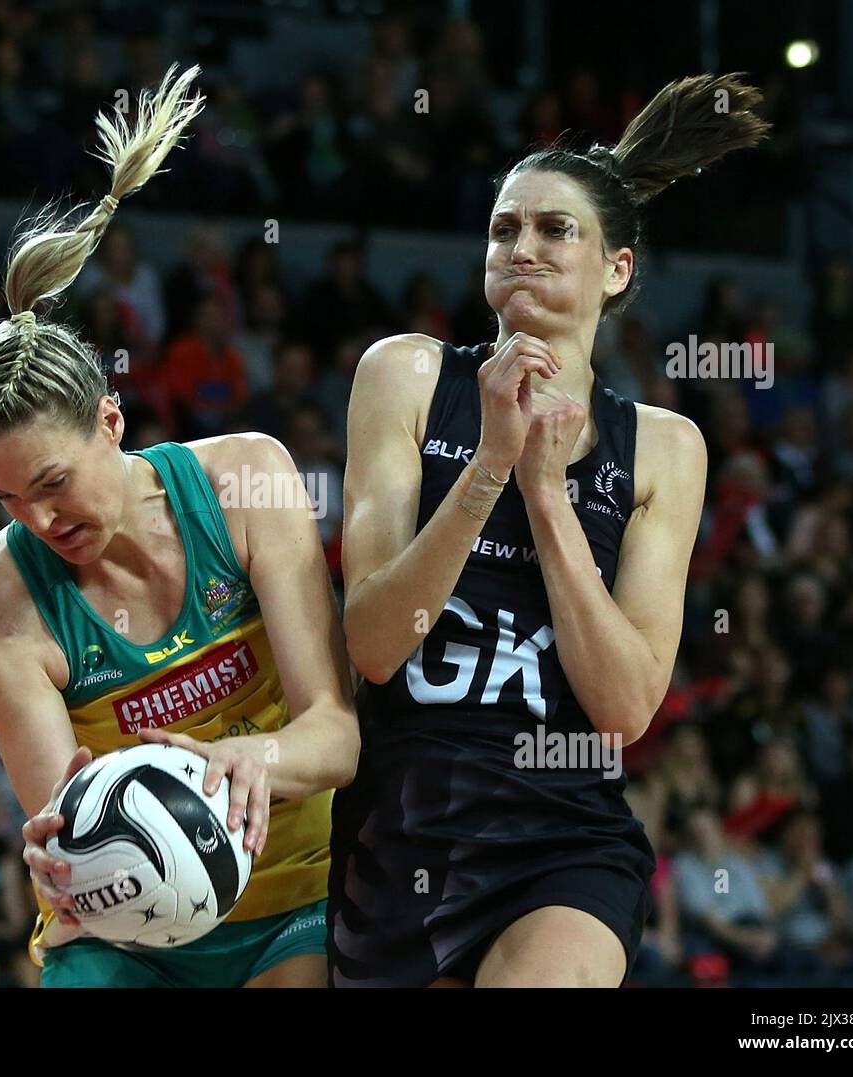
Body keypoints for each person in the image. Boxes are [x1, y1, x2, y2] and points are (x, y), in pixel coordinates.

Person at [328, 73, 771, 987]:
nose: (521, 247)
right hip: (399, 821)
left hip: (563, 832)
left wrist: (548, 495)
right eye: (503, 229)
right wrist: (492, 464)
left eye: (553, 229)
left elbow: (623, 706)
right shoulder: (406, 376)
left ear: (617, 268)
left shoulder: (664, 447)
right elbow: (374, 644)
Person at [0, 65, 358, 989]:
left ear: (111, 421)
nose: (38, 519)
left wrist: (255, 757)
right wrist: (53, 851)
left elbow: (337, 734)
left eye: (52, 483)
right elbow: (63, 811)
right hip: (122, 924)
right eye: (6, 499)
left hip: (294, 897)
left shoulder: (247, 479)